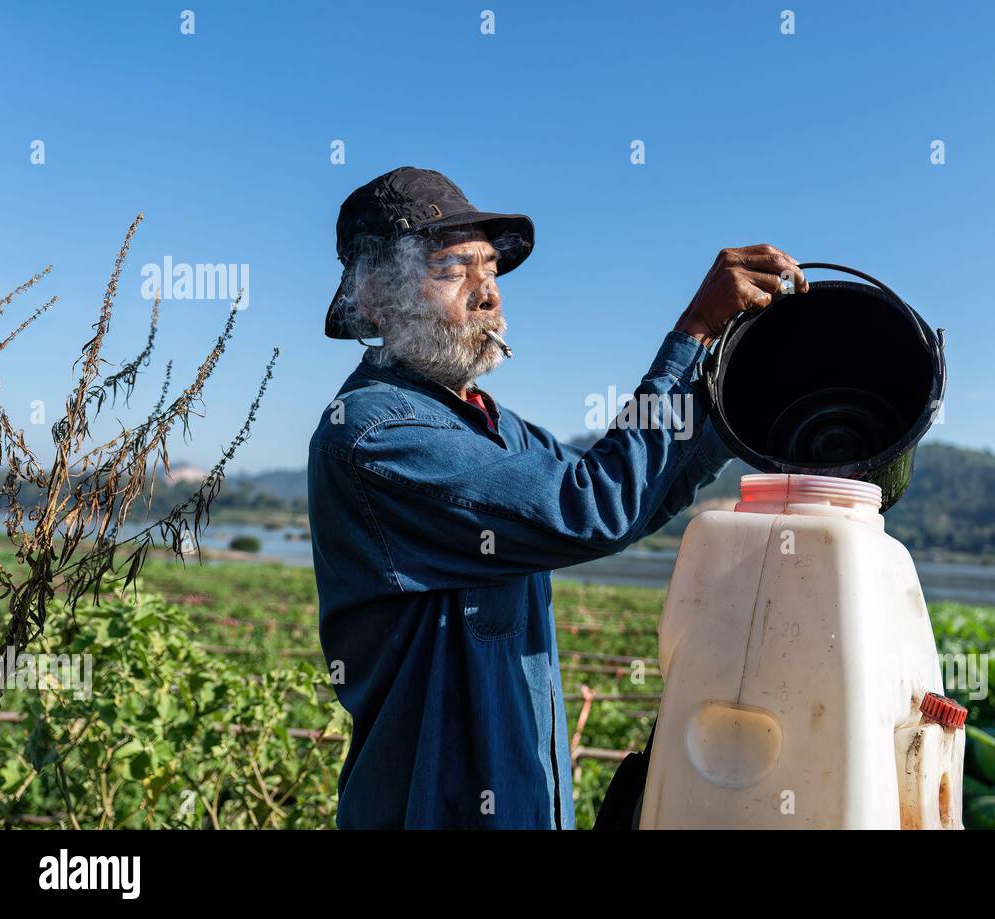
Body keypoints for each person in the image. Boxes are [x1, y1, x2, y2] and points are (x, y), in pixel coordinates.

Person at [307, 166, 808, 828]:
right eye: (454, 269)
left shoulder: (494, 425)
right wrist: (692, 333)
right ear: (373, 298)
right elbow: (592, 505)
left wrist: (727, 398)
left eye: (490, 270)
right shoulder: (377, 434)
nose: (488, 294)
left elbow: (632, 498)